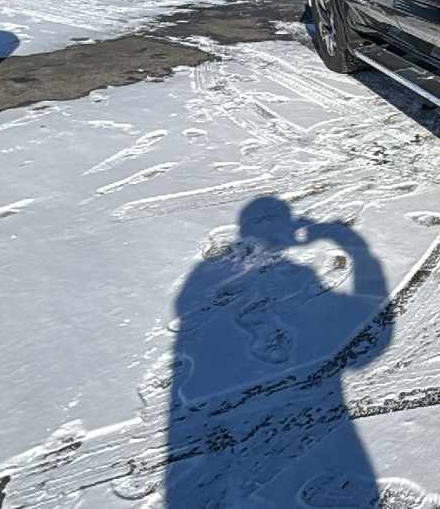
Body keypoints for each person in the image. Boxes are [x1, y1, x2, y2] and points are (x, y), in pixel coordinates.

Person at [164, 197, 389, 506]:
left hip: (220, 406)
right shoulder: (297, 279)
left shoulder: (206, 279)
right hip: (294, 419)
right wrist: (349, 243)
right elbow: (370, 337)